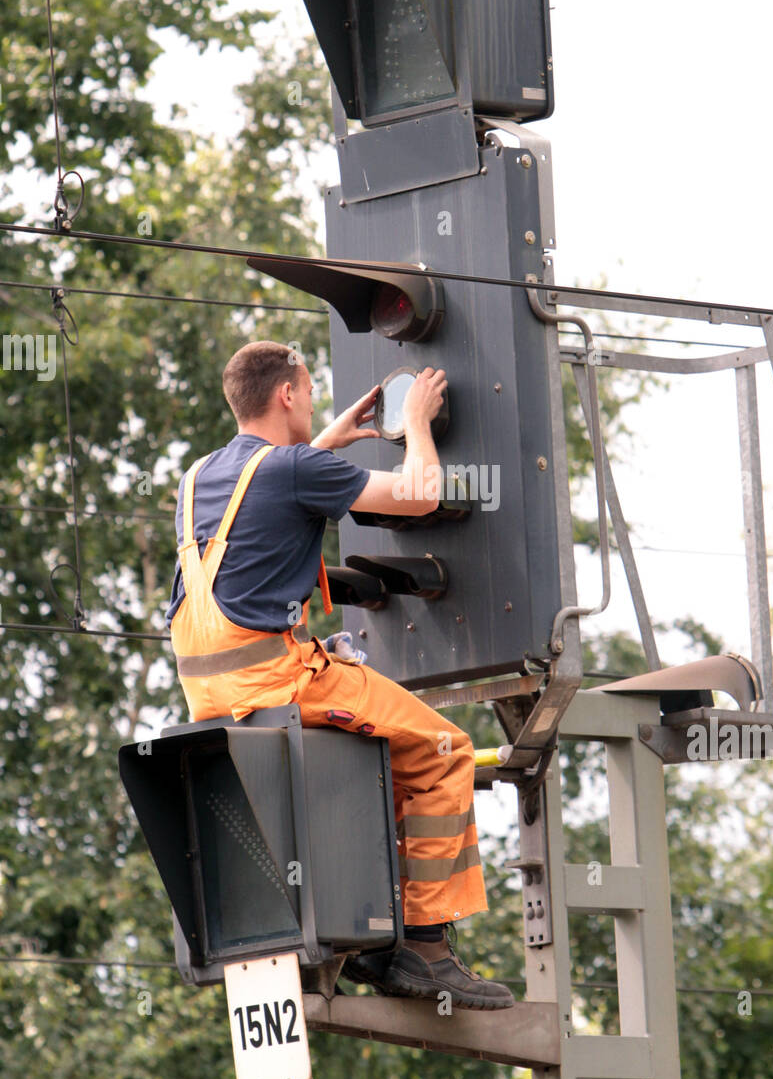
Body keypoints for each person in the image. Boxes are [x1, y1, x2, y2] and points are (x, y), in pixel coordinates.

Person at [165, 341, 513, 1011]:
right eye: (308, 389)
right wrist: (414, 422)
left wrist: (331, 440)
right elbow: (417, 495)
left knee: (385, 750)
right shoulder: (293, 469)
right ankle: (423, 947)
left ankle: (384, 928)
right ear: (287, 394)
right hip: (278, 678)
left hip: (210, 693)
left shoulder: (199, 475)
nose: (315, 400)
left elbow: (271, 494)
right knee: (445, 752)